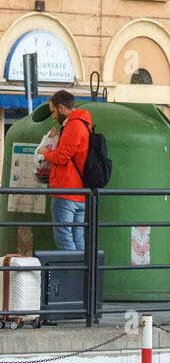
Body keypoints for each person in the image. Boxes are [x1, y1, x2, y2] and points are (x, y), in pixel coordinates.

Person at [41, 89, 92, 253]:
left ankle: (73, 274)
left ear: (61, 107)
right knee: (77, 237)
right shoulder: (84, 124)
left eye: (54, 111)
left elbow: (62, 157)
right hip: (79, 192)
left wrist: (45, 153)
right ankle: (82, 275)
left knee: (64, 237)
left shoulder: (74, 125)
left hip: (65, 191)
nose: (54, 115)